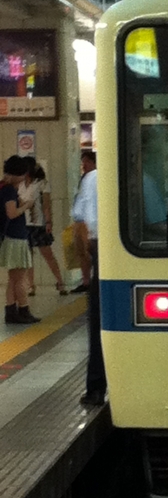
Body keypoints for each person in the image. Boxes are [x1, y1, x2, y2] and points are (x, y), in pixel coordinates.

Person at [72, 158, 106, 406]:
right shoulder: (143, 177)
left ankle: (95, 388)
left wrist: (86, 259)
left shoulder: (91, 179)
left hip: (102, 253)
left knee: (99, 322)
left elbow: (80, 223)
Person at [19, 156, 68, 295]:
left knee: (48, 254)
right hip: (24, 223)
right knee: (27, 257)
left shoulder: (42, 183)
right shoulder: (20, 185)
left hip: (39, 223)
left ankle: (60, 282)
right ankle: (31, 285)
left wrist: (48, 221)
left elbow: (46, 204)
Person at [0, 155, 40, 324]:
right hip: (16, 238)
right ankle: (23, 310)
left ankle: (11, 311)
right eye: (23, 174)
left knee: (13, 278)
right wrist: (27, 206)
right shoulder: (8, 190)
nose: (25, 177)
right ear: (18, 174)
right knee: (21, 278)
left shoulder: (4, 187)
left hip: (10, 237)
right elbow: (12, 213)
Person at [71, 149, 96, 293]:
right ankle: (85, 280)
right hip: (79, 221)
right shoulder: (84, 179)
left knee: (89, 251)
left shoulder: (96, 178)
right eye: (83, 162)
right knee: (80, 251)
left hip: (89, 222)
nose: (84, 164)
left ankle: (92, 279)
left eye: (87, 161)